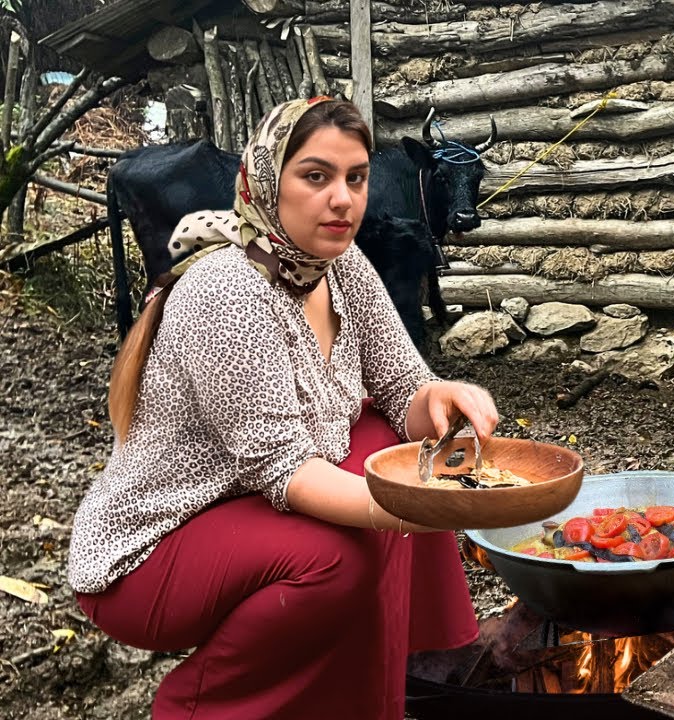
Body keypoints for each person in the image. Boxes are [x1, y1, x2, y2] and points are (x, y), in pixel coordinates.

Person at [67, 97, 499, 719]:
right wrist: (419, 504)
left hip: (249, 513)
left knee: (402, 452)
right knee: (339, 556)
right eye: (316, 176)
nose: (344, 200)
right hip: (155, 545)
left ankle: (379, 691)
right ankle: (197, 706)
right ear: (269, 182)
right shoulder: (227, 293)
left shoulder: (341, 267)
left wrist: (446, 397)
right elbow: (286, 470)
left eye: (356, 178)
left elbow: (405, 387)